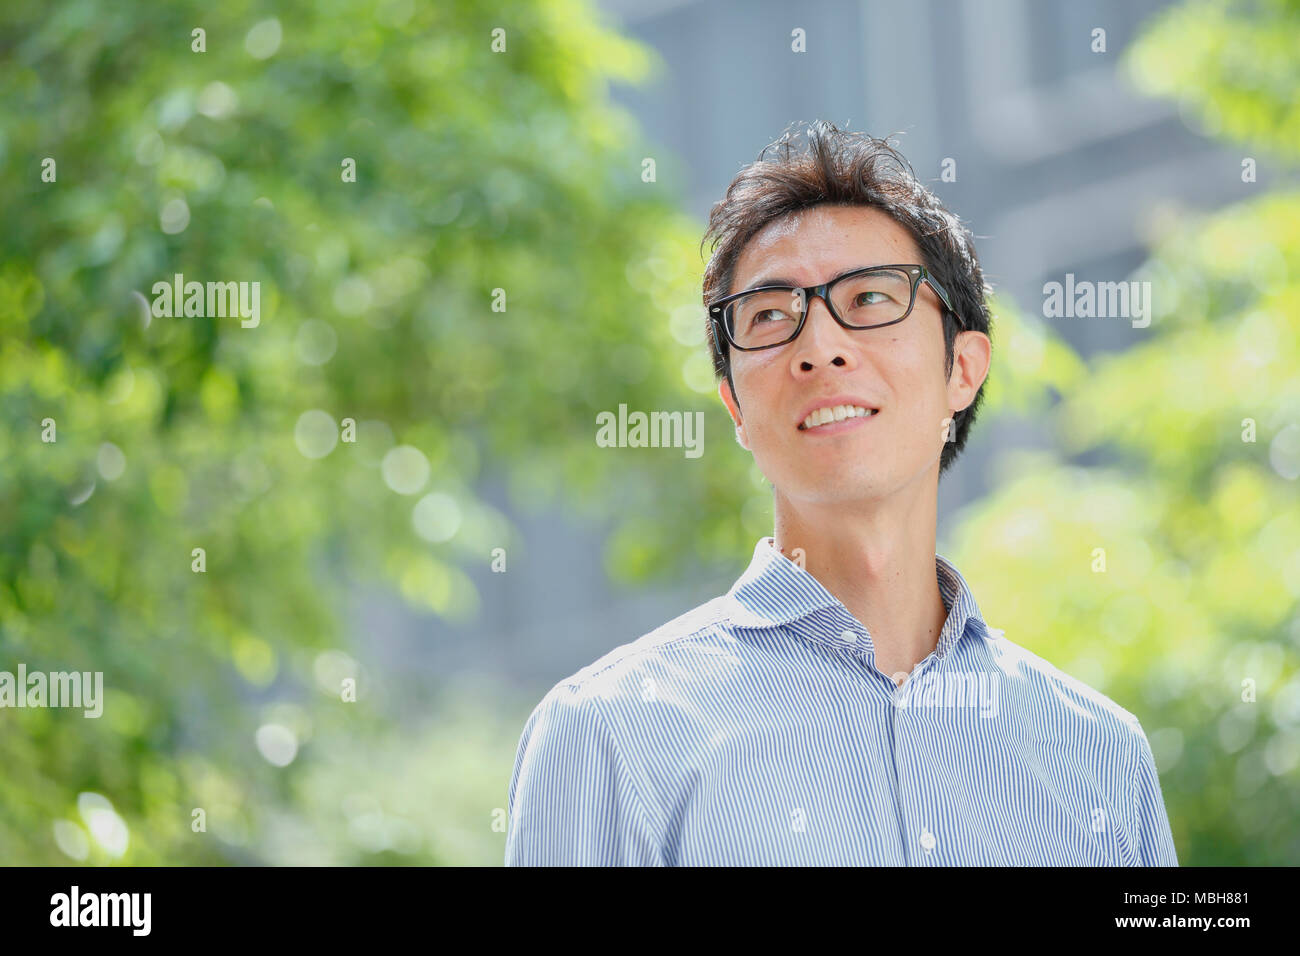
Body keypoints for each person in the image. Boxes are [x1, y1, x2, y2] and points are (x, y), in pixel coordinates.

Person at [504, 121, 1178, 866]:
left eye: (869, 298)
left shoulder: (1098, 755)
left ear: (962, 370)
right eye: (770, 315)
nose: (820, 347)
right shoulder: (611, 736)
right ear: (735, 407)